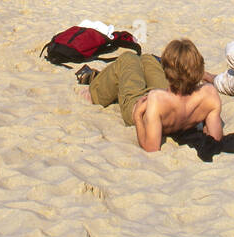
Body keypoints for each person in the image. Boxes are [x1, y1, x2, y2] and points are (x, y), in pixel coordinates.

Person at [80, 39, 224, 153]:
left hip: (141, 106)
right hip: (170, 99)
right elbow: (215, 137)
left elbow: (151, 148)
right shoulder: (209, 94)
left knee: (128, 58)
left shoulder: (156, 99)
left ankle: (94, 94)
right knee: (148, 59)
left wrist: (137, 117)